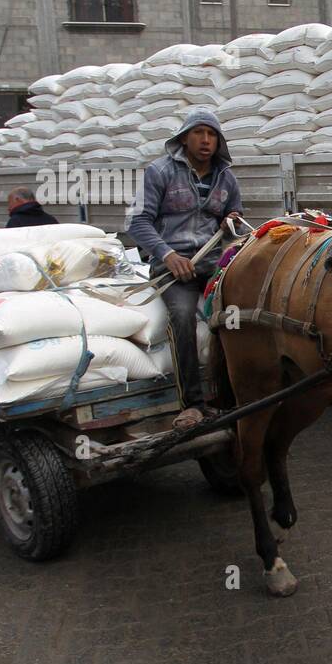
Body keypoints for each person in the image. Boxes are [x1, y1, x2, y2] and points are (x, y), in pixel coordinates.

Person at [127, 109, 243, 430]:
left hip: (212, 266)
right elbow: (137, 222)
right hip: (173, 269)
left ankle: (237, 394)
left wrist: (230, 221)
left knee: (241, 315)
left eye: (211, 134)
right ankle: (192, 403)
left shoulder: (226, 178)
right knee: (182, 316)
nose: (205, 140)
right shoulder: (159, 172)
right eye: (198, 133)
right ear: (183, 138)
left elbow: (236, 220)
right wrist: (167, 255)